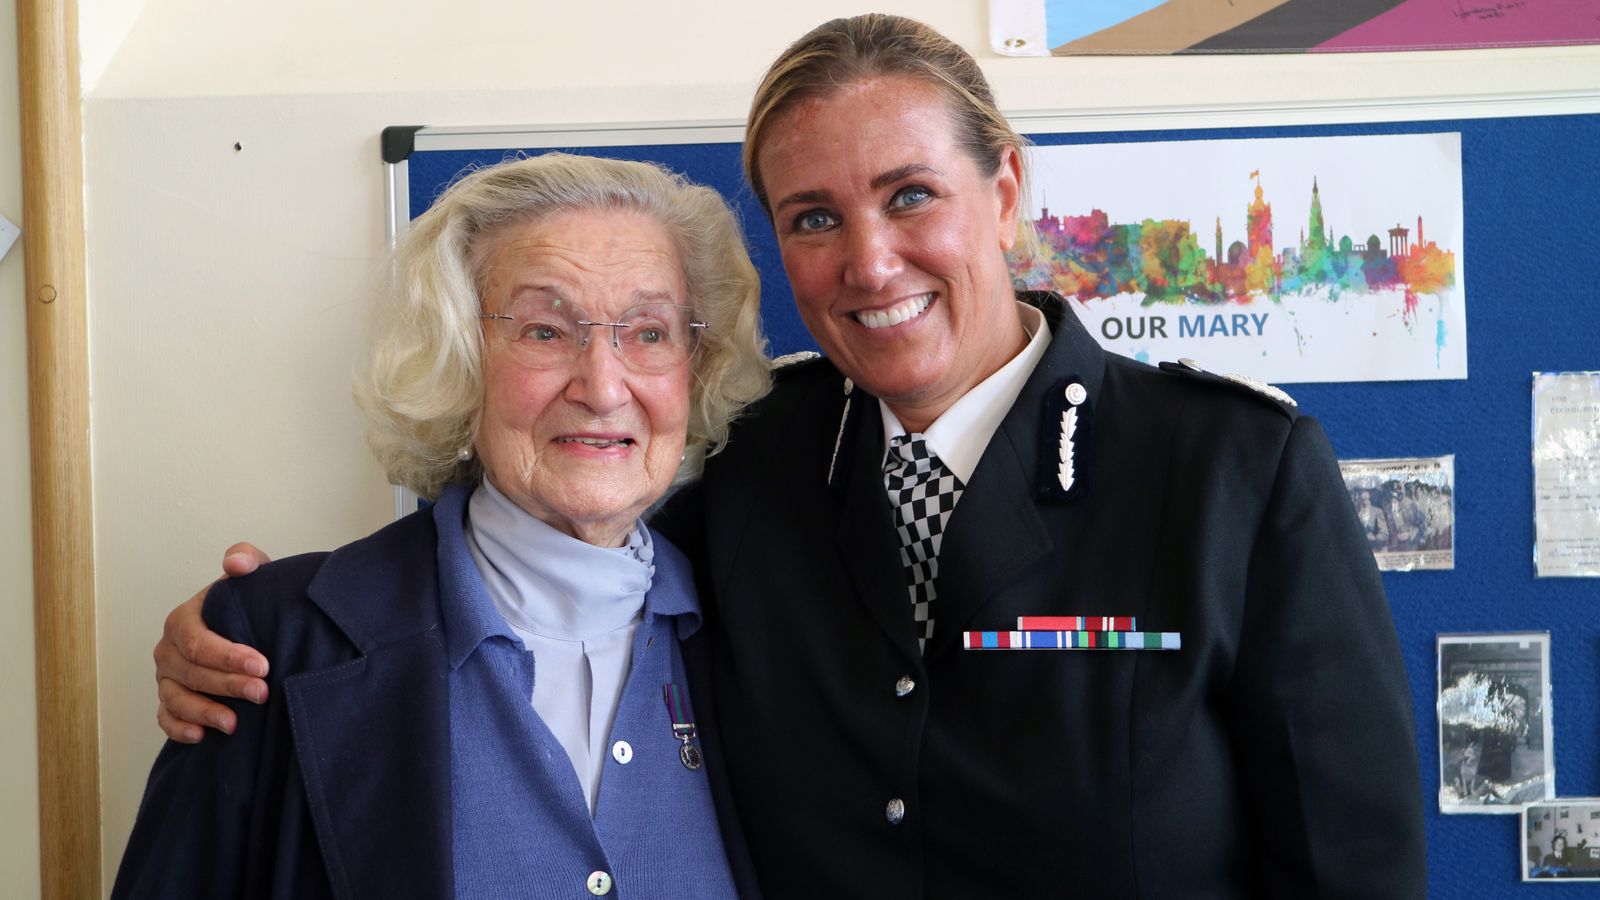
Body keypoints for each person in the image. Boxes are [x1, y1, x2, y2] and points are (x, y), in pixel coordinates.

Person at [148, 14, 1428, 898]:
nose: (868, 262)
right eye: (814, 218)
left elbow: (1348, 871)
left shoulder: (1232, 475)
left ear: (1005, 190)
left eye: (910, 193)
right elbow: (543, 517)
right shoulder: (754, 464)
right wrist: (250, 621)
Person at [115, 153, 771, 897]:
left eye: (648, 332)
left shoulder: (762, 638)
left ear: (696, 363)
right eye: (545, 331)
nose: (602, 384)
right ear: (460, 361)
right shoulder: (273, 643)